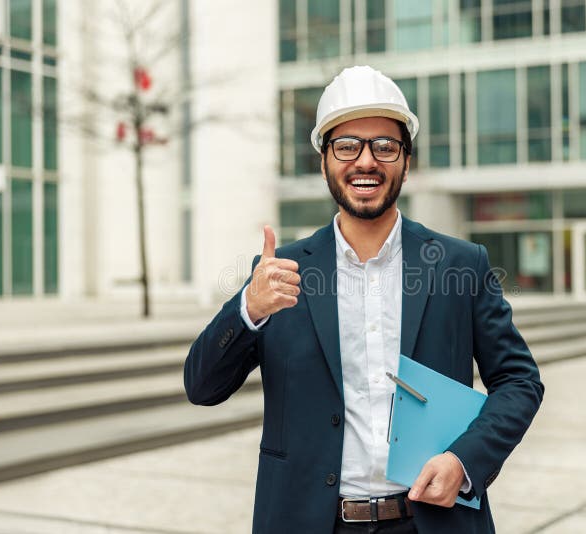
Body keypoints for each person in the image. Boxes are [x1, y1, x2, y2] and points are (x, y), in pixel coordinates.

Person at [184, 65, 544, 534]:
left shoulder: (460, 265)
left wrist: (464, 461)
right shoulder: (281, 273)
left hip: (430, 522)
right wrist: (248, 309)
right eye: (347, 145)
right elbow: (201, 387)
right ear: (325, 161)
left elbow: (519, 381)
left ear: (406, 162)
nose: (366, 161)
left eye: (385, 146)